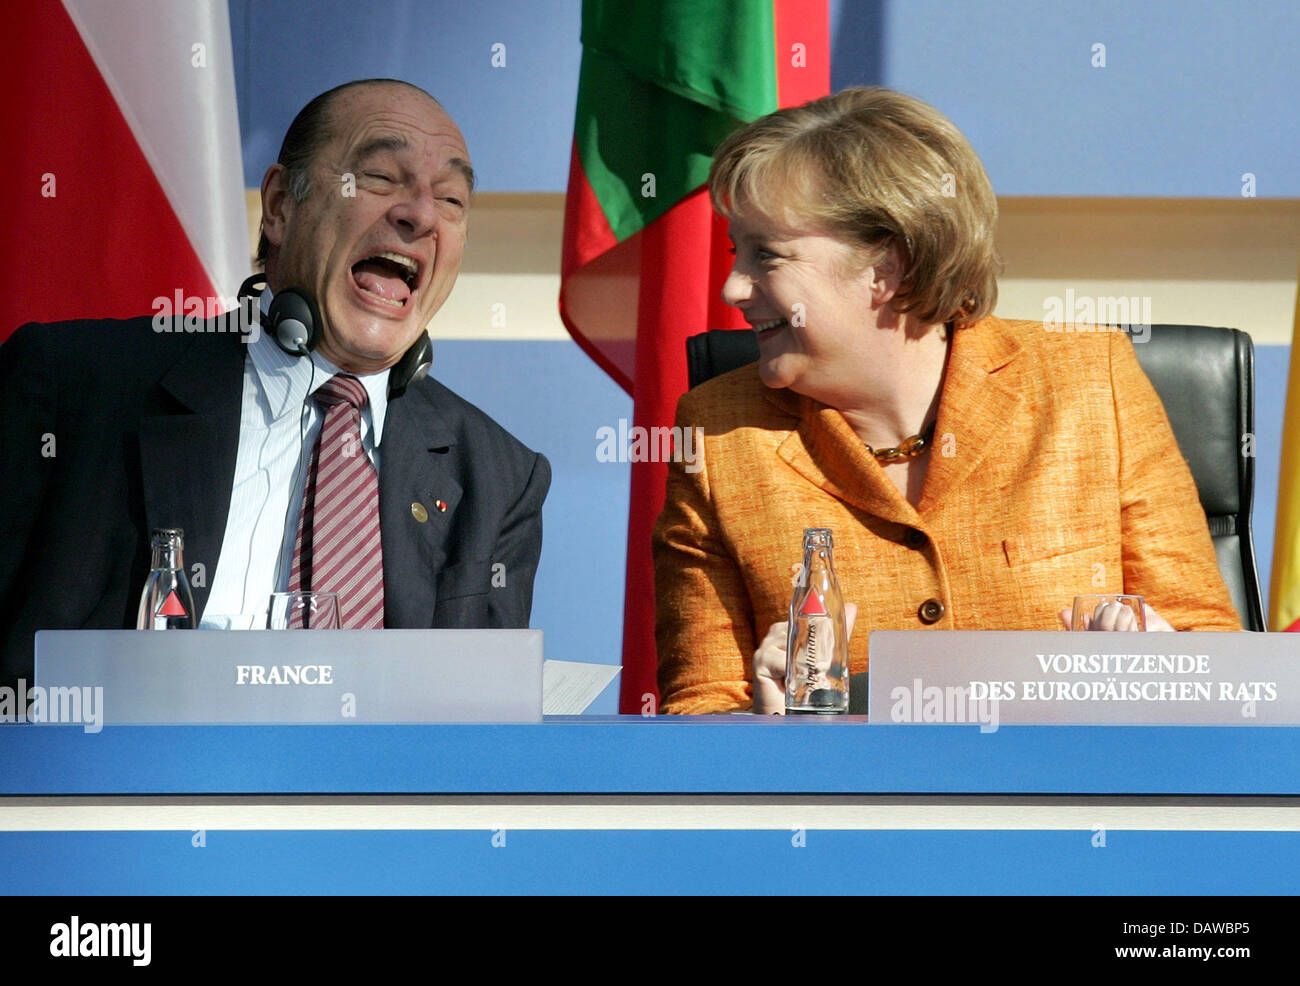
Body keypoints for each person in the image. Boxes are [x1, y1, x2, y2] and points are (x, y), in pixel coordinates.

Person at [653, 87, 1240, 715]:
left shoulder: (1091, 382)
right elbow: (703, 707)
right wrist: (768, 722)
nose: (733, 286)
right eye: (735, 251)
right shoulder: (716, 434)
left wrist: (1163, 663)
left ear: (887, 268)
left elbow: (1216, 659)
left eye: (766, 254)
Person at [0, 79, 550, 688]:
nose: (420, 214)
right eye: (380, 178)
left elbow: (481, 728)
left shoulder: (500, 477)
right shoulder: (76, 389)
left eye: (451, 199)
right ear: (283, 205)